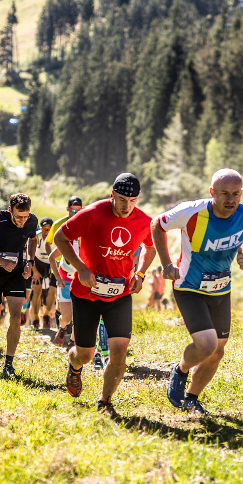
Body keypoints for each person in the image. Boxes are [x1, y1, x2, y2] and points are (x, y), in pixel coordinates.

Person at [154, 169, 243, 415]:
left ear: (242, 193)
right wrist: (166, 264)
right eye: (224, 194)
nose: (231, 200)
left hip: (221, 289)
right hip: (189, 287)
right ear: (212, 193)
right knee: (206, 345)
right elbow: (157, 224)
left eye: (236, 194)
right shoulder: (193, 212)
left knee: (217, 351)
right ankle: (181, 370)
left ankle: (192, 398)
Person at [55, 174, 155, 416]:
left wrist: (140, 274)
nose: (126, 206)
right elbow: (60, 237)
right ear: (112, 194)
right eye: (121, 199)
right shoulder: (92, 212)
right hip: (86, 294)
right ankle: (75, 364)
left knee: (119, 353)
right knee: (85, 354)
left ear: (137, 199)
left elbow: (150, 247)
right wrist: (80, 267)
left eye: (132, 201)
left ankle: (105, 401)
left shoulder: (144, 221)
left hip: (119, 295)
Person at [0, 193, 39, 379]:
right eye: (18, 216)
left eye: (25, 216)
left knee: (16, 316)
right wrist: (0, 260)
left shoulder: (31, 221)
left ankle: (8, 364)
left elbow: (33, 240)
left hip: (16, 273)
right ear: (10, 210)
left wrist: (29, 262)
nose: (22, 220)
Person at [48, 196, 84, 348]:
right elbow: (51, 257)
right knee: (67, 318)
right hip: (65, 279)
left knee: (79, 316)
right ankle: (62, 328)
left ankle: (73, 342)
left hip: (80, 280)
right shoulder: (67, 240)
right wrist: (57, 278)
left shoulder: (87, 244)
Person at [29, 217, 55, 330]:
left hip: (51, 262)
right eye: (44, 229)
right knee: (37, 291)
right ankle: (35, 319)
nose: (46, 232)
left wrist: (54, 267)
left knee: (52, 290)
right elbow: (29, 256)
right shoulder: (36, 236)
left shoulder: (56, 236)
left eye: (49, 229)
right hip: (38, 262)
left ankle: (47, 316)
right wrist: (34, 271)